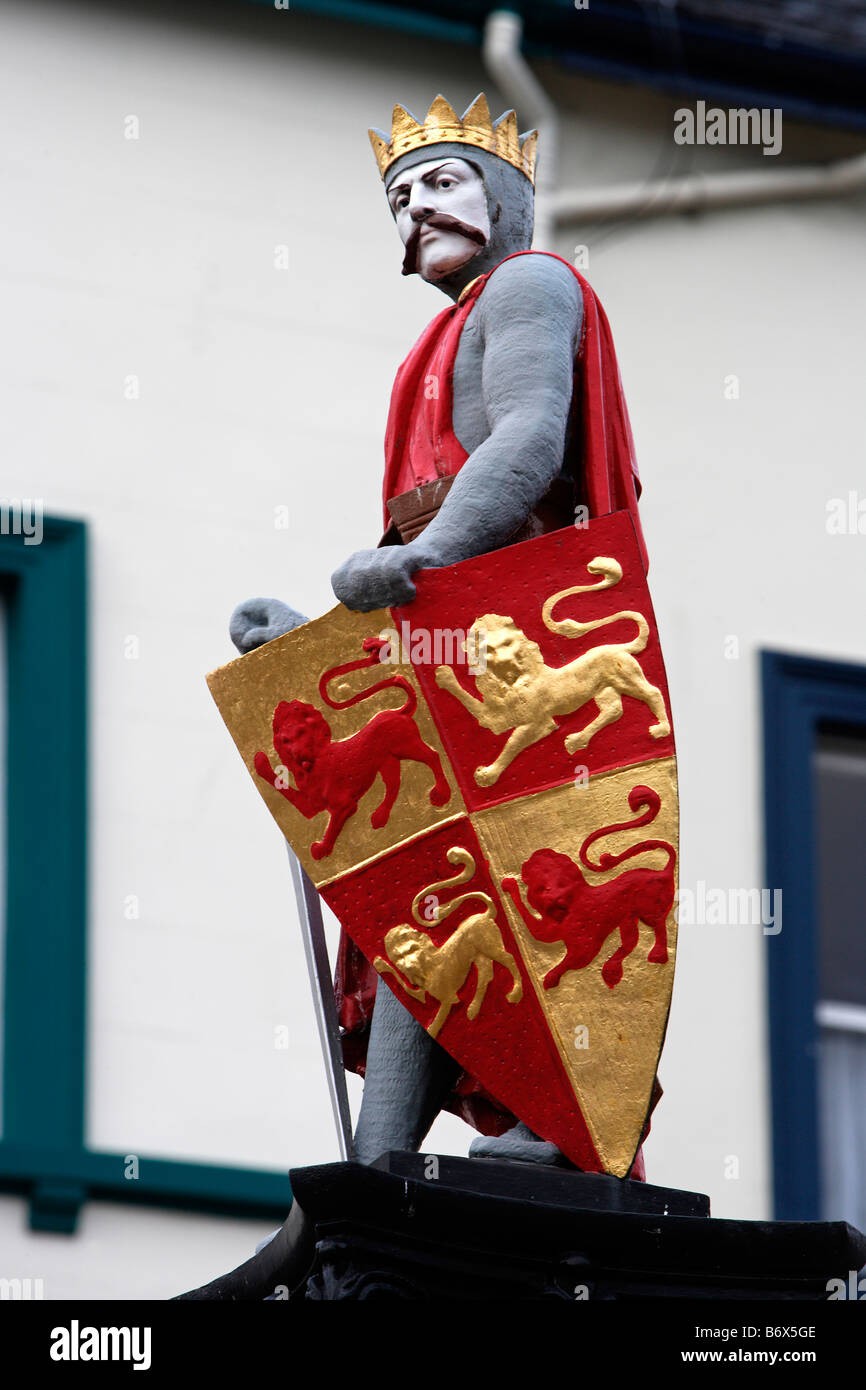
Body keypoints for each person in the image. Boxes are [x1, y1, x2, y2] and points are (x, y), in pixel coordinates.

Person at [231, 95, 658, 1172]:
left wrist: (420, 558)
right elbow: (413, 530)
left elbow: (524, 435)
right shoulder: (432, 341)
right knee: (418, 892)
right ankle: (380, 1159)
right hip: (452, 619)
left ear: (505, 198)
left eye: (439, 184)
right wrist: (314, 638)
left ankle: (569, 1132)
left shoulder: (527, 284)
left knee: (535, 873)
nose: (414, 209)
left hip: (521, 615)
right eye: (398, 198)